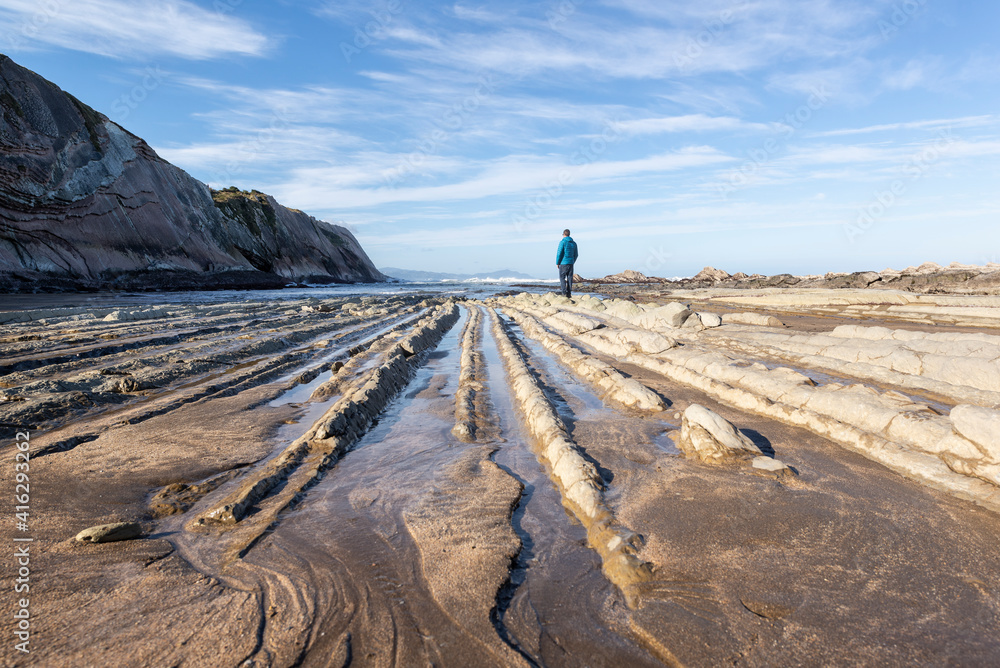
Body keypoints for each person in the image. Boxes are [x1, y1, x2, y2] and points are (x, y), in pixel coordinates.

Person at [556, 229, 578, 298]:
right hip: (571, 263)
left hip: (563, 263)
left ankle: (564, 293)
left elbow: (559, 253)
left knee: (562, 278)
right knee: (569, 278)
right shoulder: (574, 243)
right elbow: (576, 254)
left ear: (564, 234)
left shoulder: (562, 242)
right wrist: (572, 261)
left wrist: (557, 263)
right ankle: (569, 293)